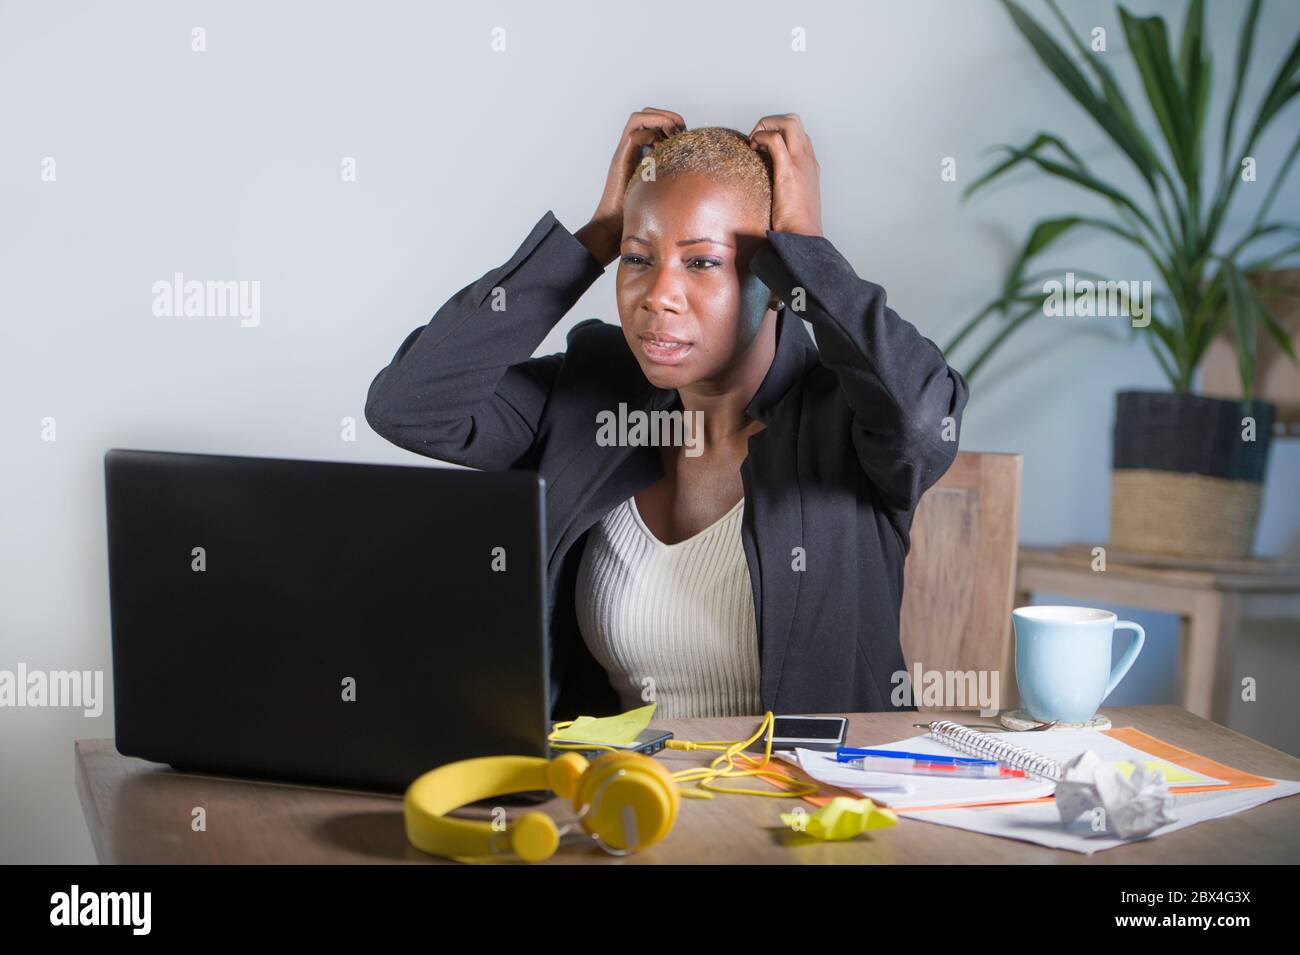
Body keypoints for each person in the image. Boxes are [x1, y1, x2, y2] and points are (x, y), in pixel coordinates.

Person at [365, 108, 970, 721]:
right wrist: (596, 235)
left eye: (701, 261)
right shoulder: (590, 393)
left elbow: (923, 423)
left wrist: (810, 253)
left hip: (800, 801)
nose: (657, 294)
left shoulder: (848, 420)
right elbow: (409, 406)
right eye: (637, 258)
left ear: (775, 279)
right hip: (618, 799)